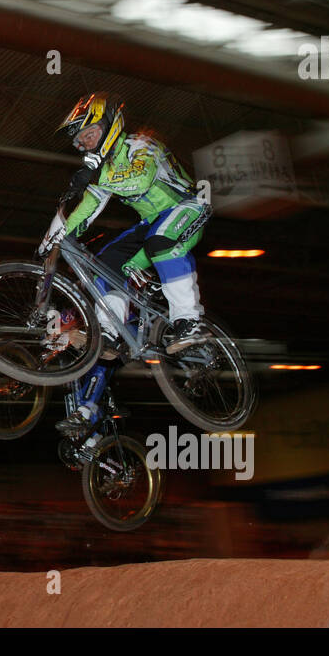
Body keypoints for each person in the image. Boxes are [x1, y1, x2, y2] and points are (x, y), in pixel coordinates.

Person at [38, 92, 211, 437]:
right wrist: (54, 240)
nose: (85, 144)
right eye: (80, 141)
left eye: (89, 134)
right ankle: (111, 333)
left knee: (161, 242)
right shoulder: (104, 169)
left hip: (188, 206)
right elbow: (88, 208)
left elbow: (140, 180)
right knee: (103, 265)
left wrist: (94, 179)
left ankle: (189, 321)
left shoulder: (140, 144)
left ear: (108, 126)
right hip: (152, 223)